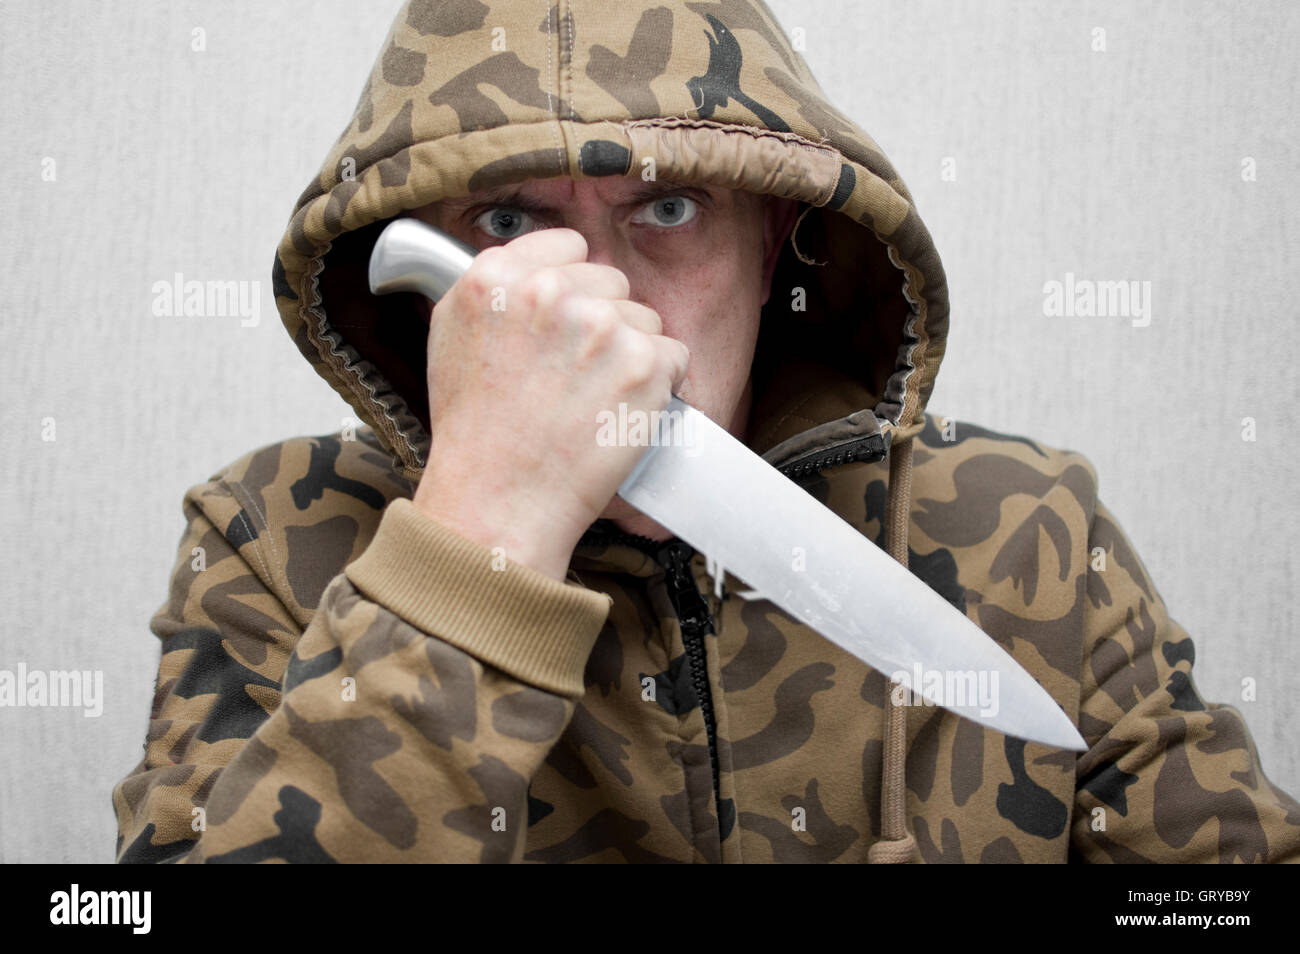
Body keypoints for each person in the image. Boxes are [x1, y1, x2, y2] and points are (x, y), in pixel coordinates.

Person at [113, 0, 1300, 863]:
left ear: (781, 235)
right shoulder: (273, 546)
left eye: (668, 211)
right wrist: (477, 540)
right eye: (509, 217)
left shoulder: (1025, 531)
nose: (598, 311)